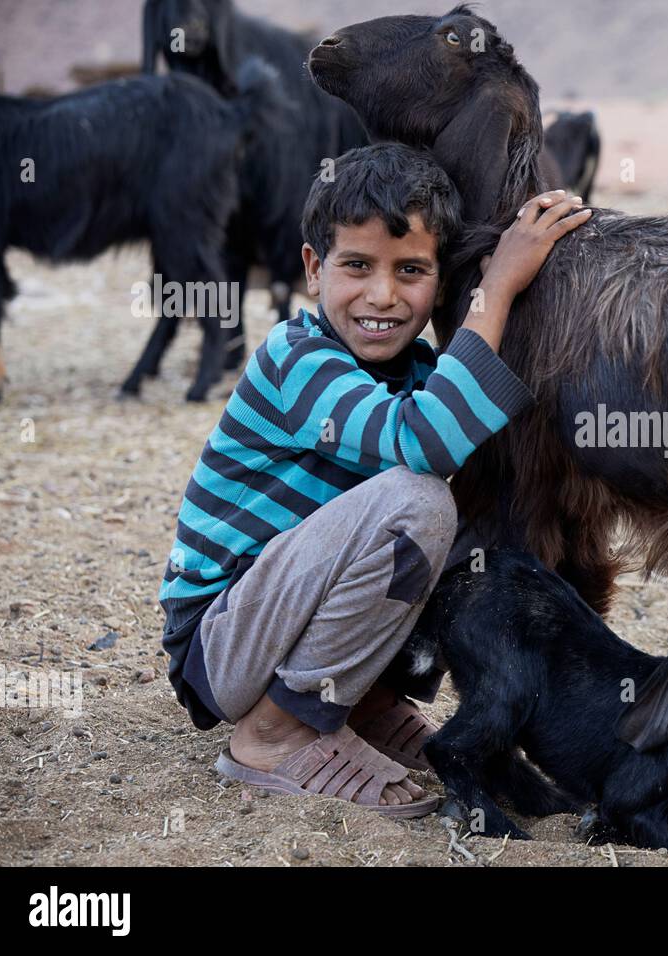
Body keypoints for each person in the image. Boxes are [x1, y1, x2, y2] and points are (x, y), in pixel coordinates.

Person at [158, 143, 591, 815]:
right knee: (419, 500)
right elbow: (424, 442)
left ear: (437, 284)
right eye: (356, 266)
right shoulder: (294, 357)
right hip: (223, 639)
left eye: (411, 270)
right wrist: (498, 287)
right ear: (312, 268)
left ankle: (362, 704)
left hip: (280, 621)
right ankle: (275, 732)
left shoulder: (418, 370)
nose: (382, 296)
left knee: (472, 505)